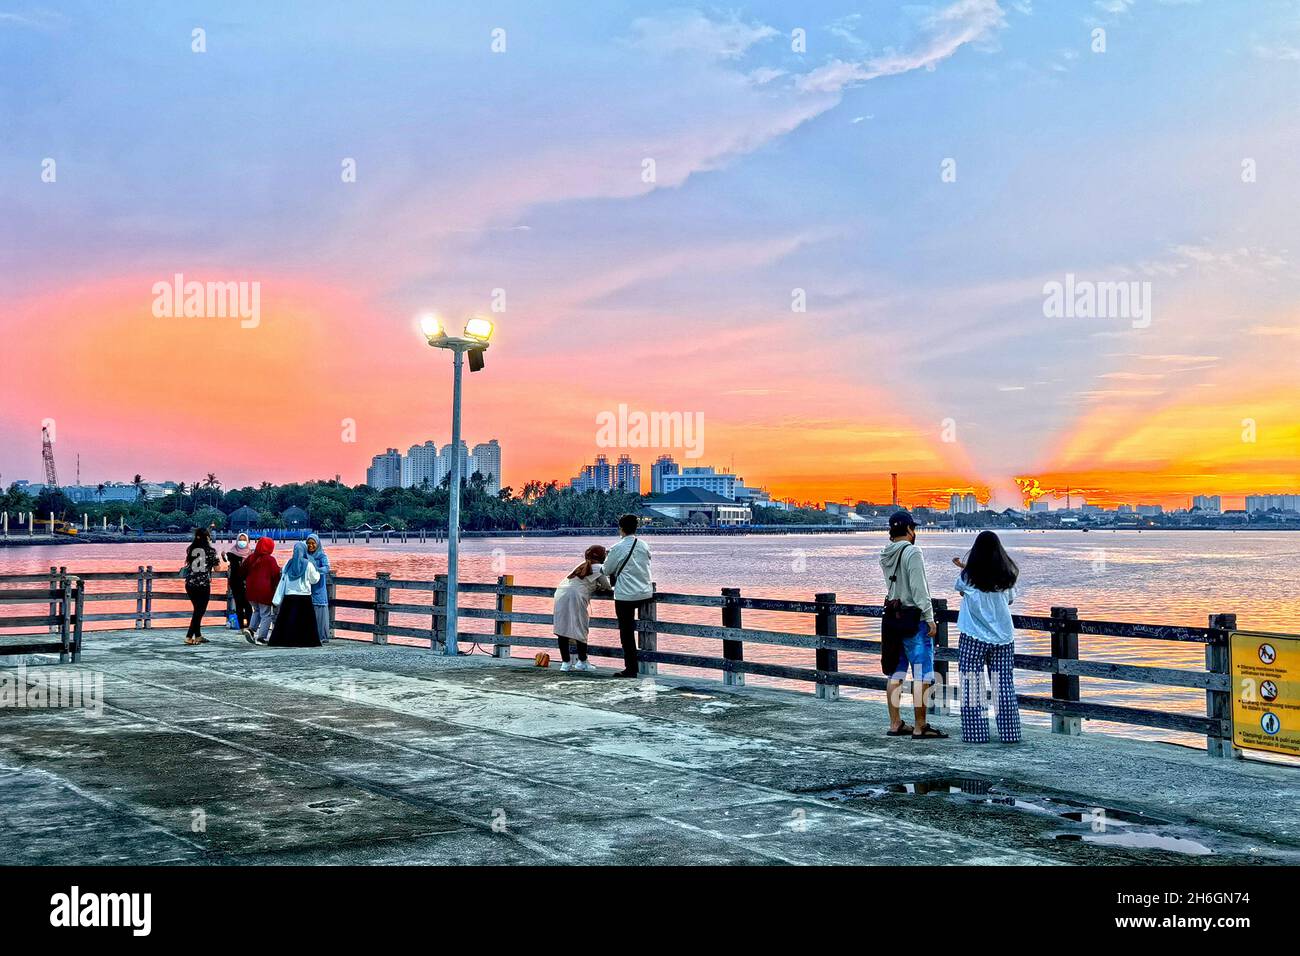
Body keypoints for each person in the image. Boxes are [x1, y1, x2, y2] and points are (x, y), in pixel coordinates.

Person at [879, 510, 947, 739]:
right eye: (913, 528)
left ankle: (895, 722)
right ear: (909, 529)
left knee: (895, 672)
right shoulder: (912, 552)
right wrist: (930, 618)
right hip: (913, 620)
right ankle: (920, 725)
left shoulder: (885, 553)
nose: (914, 532)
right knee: (922, 673)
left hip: (893, 619)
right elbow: (920, 590)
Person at [952, 531, 1022, 744]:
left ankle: (976, 735)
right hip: (1003, 638)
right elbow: (1009, 601)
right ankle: (1010, 735)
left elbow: (962, 591)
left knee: (972, 685)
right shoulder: (1007, 577)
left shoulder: (967, 577)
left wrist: (965, 568)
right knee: (1004, 686)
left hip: (973, 636)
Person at [604, 514, 653, 678]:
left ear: (621, 528)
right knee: (645, 628)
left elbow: (607, 570)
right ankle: (646, 664)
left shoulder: (618, 547)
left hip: (625, 595)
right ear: (635, 528)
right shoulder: (644, 545)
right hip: (645, 592)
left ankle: (631, 668)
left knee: (626, 633)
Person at [552, 544, 610, 672]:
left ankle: (565, 663)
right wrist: (600, 586)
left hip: (560, 593)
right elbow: (608, 586)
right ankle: (582, 661)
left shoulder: (581, 566)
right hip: (576, 596)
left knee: (562, 628)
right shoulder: (599, 568)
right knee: (581, 627)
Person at [267, 541, 321, 647]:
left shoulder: (289, 563)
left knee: (287, 620)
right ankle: (305, 641)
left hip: (289, 596)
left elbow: (283, 577)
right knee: (305, 622)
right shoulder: (308, 564)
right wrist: (318, 573)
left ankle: (284, 641)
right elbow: (314, 579)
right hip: (304, 597)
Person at [181, 528, 221, 646]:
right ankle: (189, 636)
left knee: (197, 610)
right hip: (203, 584)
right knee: (200, 611)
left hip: (190, 584)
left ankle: (197, 635)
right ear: (207, 538)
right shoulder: (210, 551)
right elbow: (217, 568)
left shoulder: (191, 549)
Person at [241, 536, 281, 645]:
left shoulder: (250, 558)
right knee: (266, 614)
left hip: (251, 590)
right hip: (265, 591)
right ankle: (261, 637)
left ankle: (251, 629)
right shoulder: (270, 560)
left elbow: (242, 572)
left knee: (256, 610)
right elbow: (276, 575)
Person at [223, 532, 254, 632]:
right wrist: (223, 556)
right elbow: (225, 559)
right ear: (237, 540)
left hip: (248, 582)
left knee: (248, 606)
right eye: (240, 539)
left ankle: (249, 626)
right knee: (239, 605)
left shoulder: (251, 554)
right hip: (236, 582)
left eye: (244, 540)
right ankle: (241, 627)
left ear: (248, 541)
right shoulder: (232, 553)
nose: (242, 542)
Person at [305, 533, 332, 644]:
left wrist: (315, 569)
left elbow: (326, 568)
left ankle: (322, 636)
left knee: (320, 612)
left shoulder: (322, 556)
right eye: (308, 543)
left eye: (313, 543)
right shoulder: (305, 555)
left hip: (319, 587)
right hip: (307, 587)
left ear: (317, 544)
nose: (310, 545)